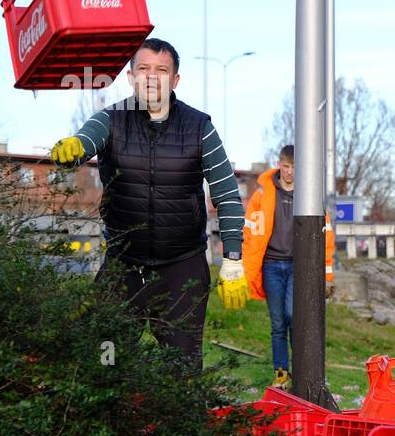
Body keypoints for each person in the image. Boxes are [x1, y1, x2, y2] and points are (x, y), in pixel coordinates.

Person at [49, 37, 248, 370]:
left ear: (175, 80)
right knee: (104, 363)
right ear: (130, 77)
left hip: (181, 266)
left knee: (182, 368)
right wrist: (72, 150)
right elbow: (84, 143)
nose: (151, 77)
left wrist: (232, 259)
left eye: (161, 70)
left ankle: (181, 420)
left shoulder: (200, 127)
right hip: (124, 264)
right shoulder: (109, 121)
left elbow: (227, 193)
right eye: (143, 69)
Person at [243, 144, 335, 387]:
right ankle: (281, 373)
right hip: (271, 265)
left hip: (298, 266)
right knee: (277, 322)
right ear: (279, 164)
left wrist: (327, 274)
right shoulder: (262, 194)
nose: (290, 172)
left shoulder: (309, 196)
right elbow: (250, 232)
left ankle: (303, 371)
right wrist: (245, 267)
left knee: (294, 315)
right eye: (286, 166)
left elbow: (326, 238)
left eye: (295, 167)